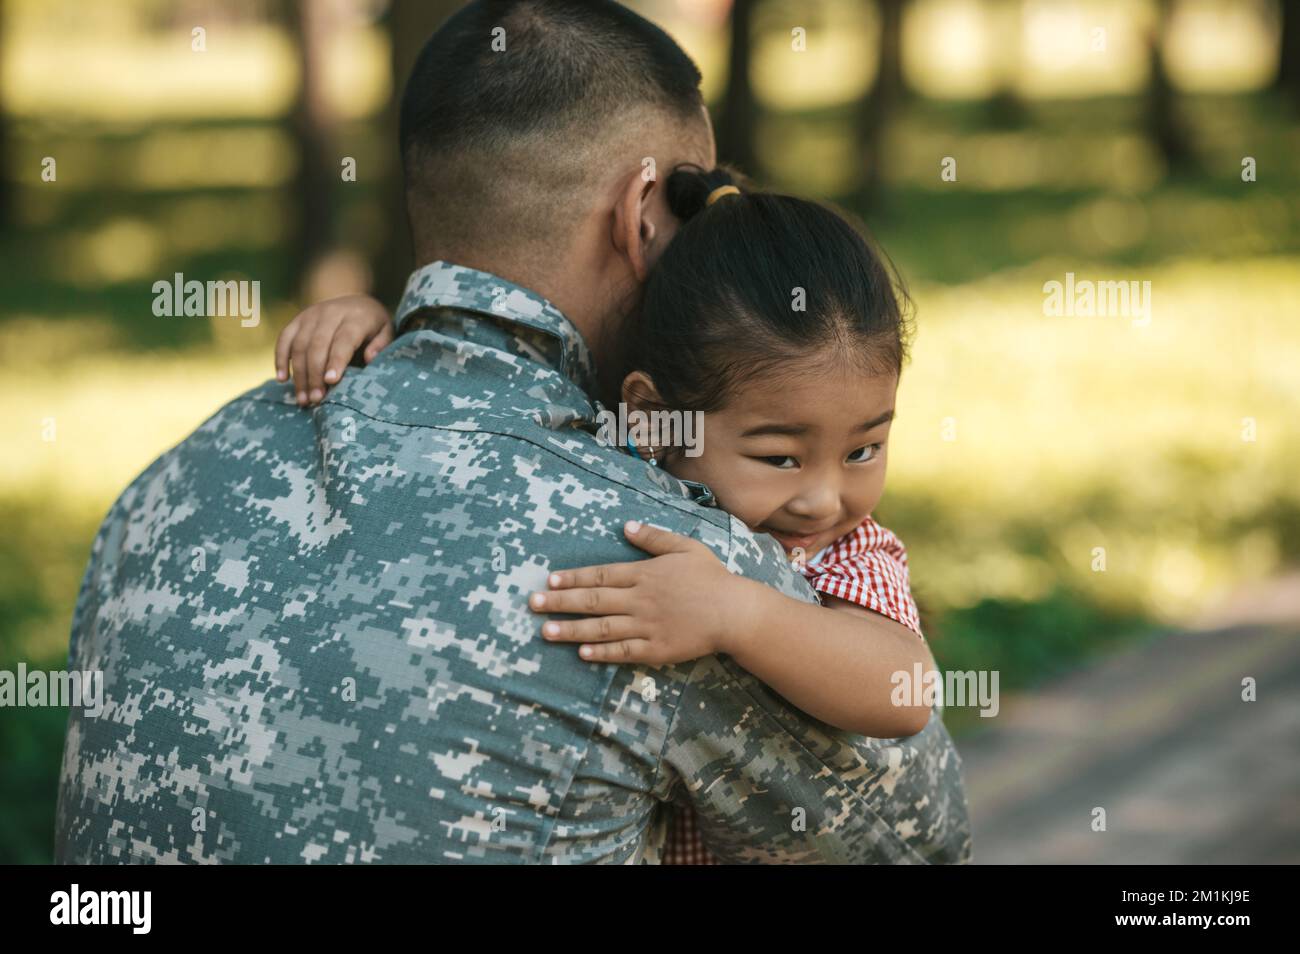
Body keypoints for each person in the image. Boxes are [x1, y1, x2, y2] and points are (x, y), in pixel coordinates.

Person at [56, 0, 972, 863]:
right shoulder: (654, 561)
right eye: (696, 210)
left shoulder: (165, 490)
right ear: (642, 212)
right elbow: (916, 837)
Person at [276, 165, 939, 865]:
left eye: (864, 448)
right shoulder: (620, 453)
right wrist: (374, 329)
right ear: (656, 419)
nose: (824, 498)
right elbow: (494, 390)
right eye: (781, 458)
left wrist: (739, 613)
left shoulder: (847, 554)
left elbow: (906, 689)